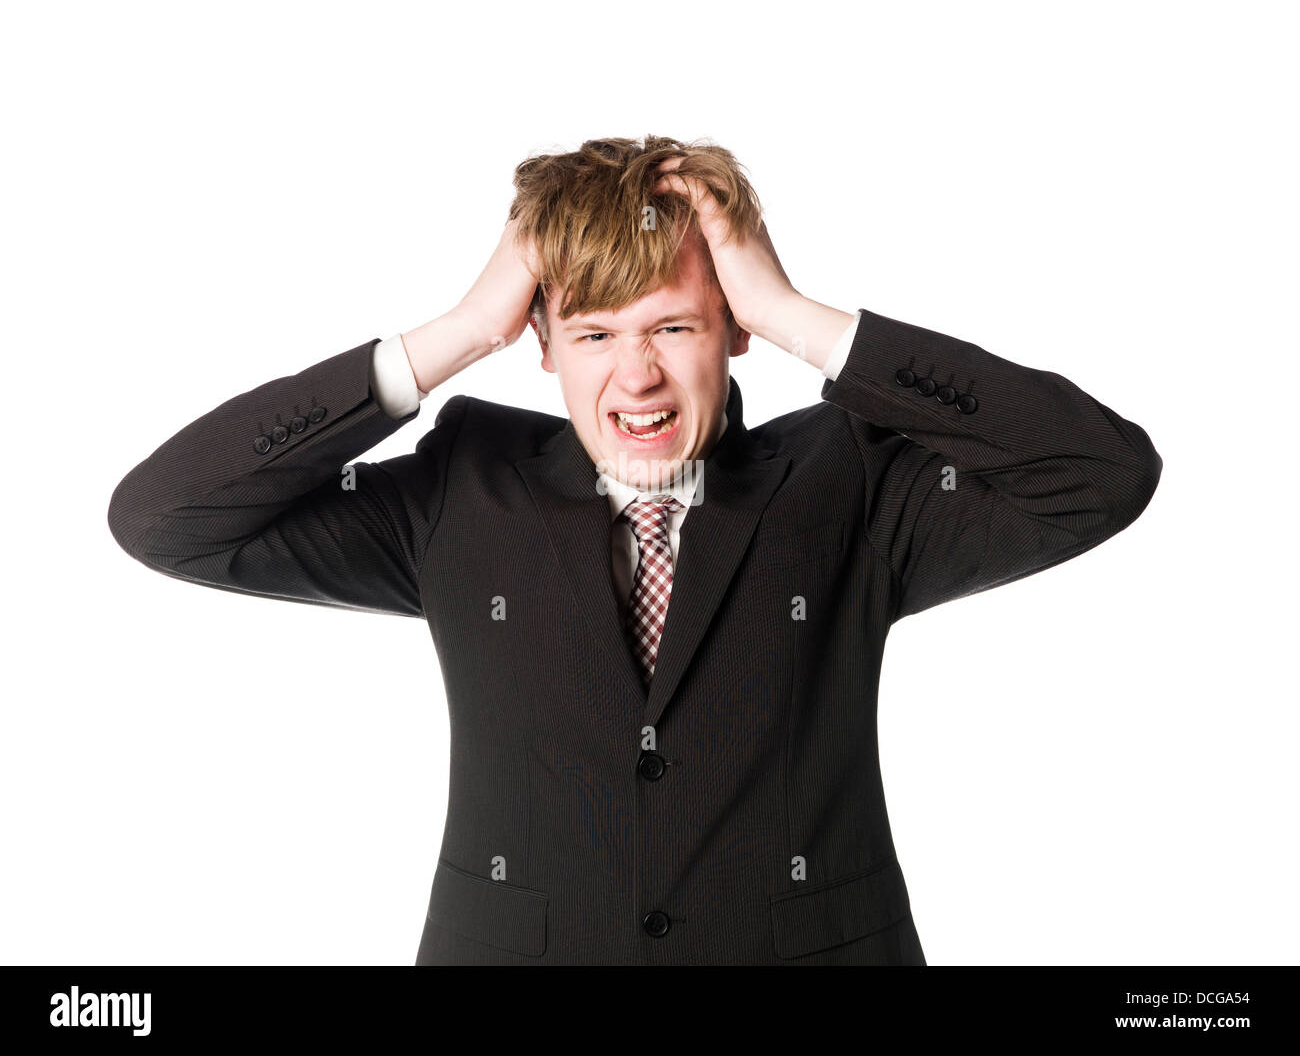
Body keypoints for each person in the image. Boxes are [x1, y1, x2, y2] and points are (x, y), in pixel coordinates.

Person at [107, 135, 1162, 964]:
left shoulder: (847, 484)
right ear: (543, 339)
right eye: (597, 334)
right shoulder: (462, 492)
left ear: (734, 328)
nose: (637, 378)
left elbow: (1101, 475)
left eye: (674, 328)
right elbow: (164, 517)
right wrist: (460, 331)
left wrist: (802, 317)